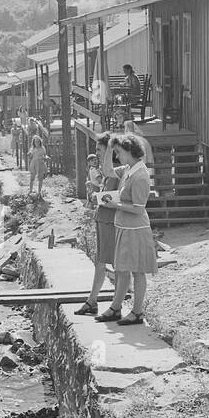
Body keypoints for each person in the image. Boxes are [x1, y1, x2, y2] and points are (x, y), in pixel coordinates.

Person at [96, 134, 156, 326]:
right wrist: (109, 149)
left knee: (138, 271)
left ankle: (137, 312)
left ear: (130, 151)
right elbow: (107, 170)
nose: (118, 157)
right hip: (123, 227)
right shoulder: (129, 169)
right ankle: (116, 307)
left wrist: (116, 205)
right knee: (122, 269)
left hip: (136, 229)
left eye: (119, 153)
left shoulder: (140, 175)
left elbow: (139, 208)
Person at [75, 132, 121, 316]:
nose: (97, 153)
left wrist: (97, 197)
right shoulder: (106, 171)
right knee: (100, 262)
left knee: (115, 263)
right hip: (102, 219)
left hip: (110, 221)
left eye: (99, 149)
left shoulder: (117, 172)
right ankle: (92, 300)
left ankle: (113, 303)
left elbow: (118, 197)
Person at [27, 124, 49, 196]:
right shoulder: (32, 148)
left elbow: (44, 155)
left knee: (40, 178)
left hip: (40, 163)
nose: (37, 143)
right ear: (33, 142)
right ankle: (30, 190)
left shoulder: (42, 148)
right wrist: (29, 154)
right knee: (32, 177)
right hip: (34, 163)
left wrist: (46, 157)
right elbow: (30, 155)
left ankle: (39, 192)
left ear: (40, 142)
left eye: (38, 142)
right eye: (35, 142)